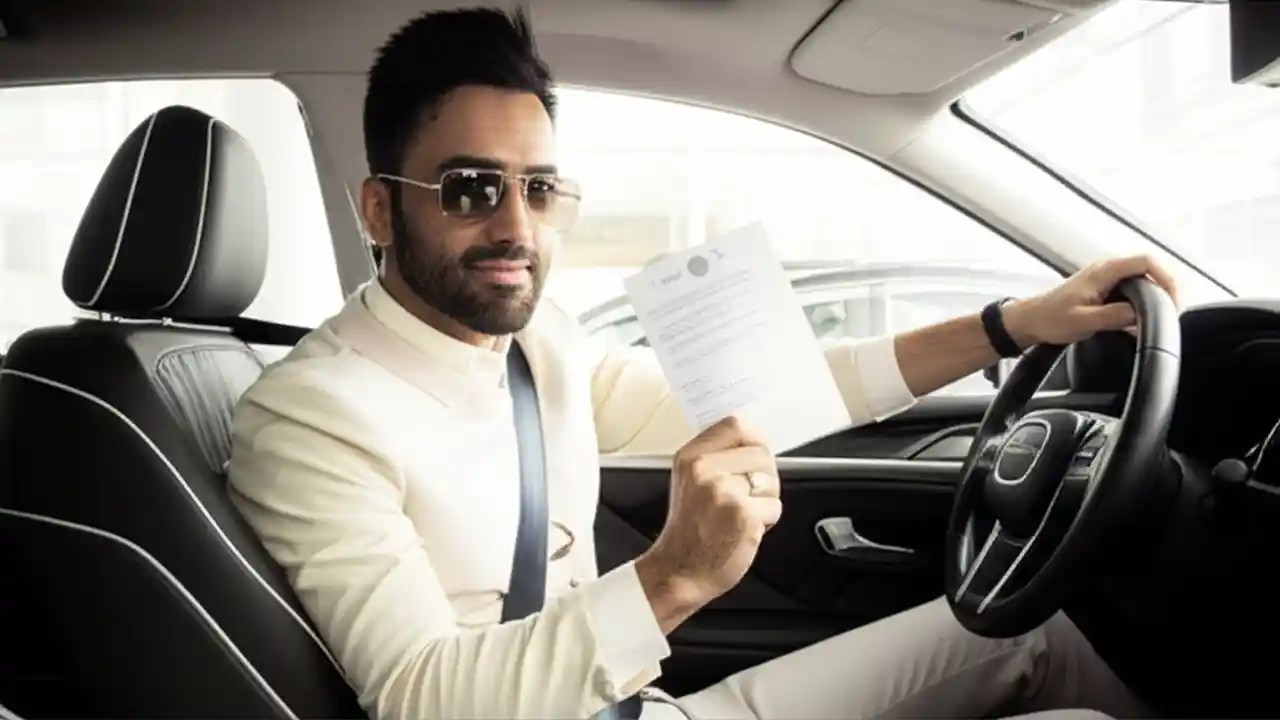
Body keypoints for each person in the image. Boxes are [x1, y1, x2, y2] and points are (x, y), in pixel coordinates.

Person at [226, 6, 1177, 720]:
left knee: (1039, 637)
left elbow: (779, 391)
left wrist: (1015, 324)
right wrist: (674, 576)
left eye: (540, 187)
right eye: (471, 188)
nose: (515, 226)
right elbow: (422, 700)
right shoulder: (309, 417)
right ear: (381, 209)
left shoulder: (535, 341)